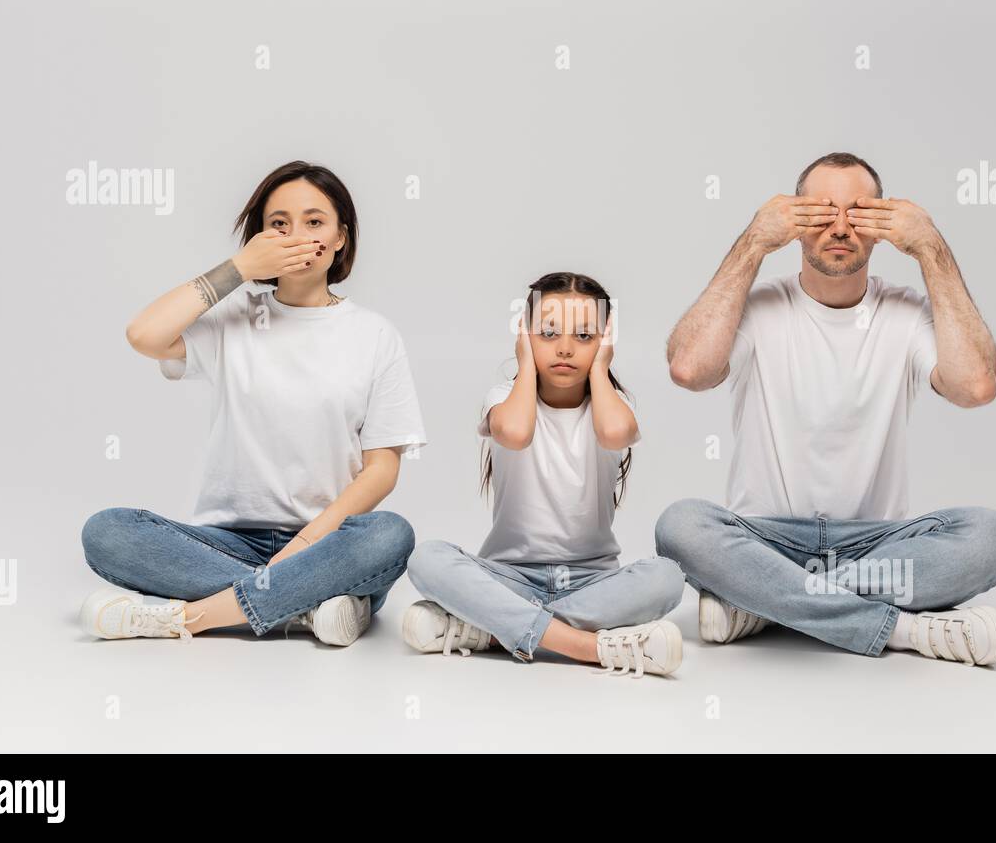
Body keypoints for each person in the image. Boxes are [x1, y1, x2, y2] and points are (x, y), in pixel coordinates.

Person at [657, 152, 996, 666]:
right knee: (681, 526)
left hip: (876, 545)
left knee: (991, 537)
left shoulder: (906, 312)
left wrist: (931, 247)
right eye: (822, 213)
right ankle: (904, 631)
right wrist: (754, 241)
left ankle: (765, 602)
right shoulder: (756, 307)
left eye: (859, 213)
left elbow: (976, 386)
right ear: (794, 222)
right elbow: (688, 369)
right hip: (765, 537)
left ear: (882, 227)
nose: (841, 227)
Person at [79, 161, 425, 646]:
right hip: (227, 539)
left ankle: (193, 617)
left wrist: (305, 548)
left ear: (341, 237)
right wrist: (238, 270)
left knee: (389, 536)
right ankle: (303, 609)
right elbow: (144, 334)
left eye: (314, 222)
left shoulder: (375, 335)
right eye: (278, 224)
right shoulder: (233, 321)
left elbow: (382, 470)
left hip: (330, 542)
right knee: (108, 533)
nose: (296, 236)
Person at [402, 273, 685, 678]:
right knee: (427, 558)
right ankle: (590, 646)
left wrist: (602, 371)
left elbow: (615, 434)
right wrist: (525, 364)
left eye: (585, 337)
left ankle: (490, 630)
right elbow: (515, 434)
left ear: (604, 342)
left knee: (667, 577)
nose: (565, 349)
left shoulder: (612, 404)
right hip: (509, 577)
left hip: (592, 582)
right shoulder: (503, 397)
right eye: (548, 333)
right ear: (525, 335)